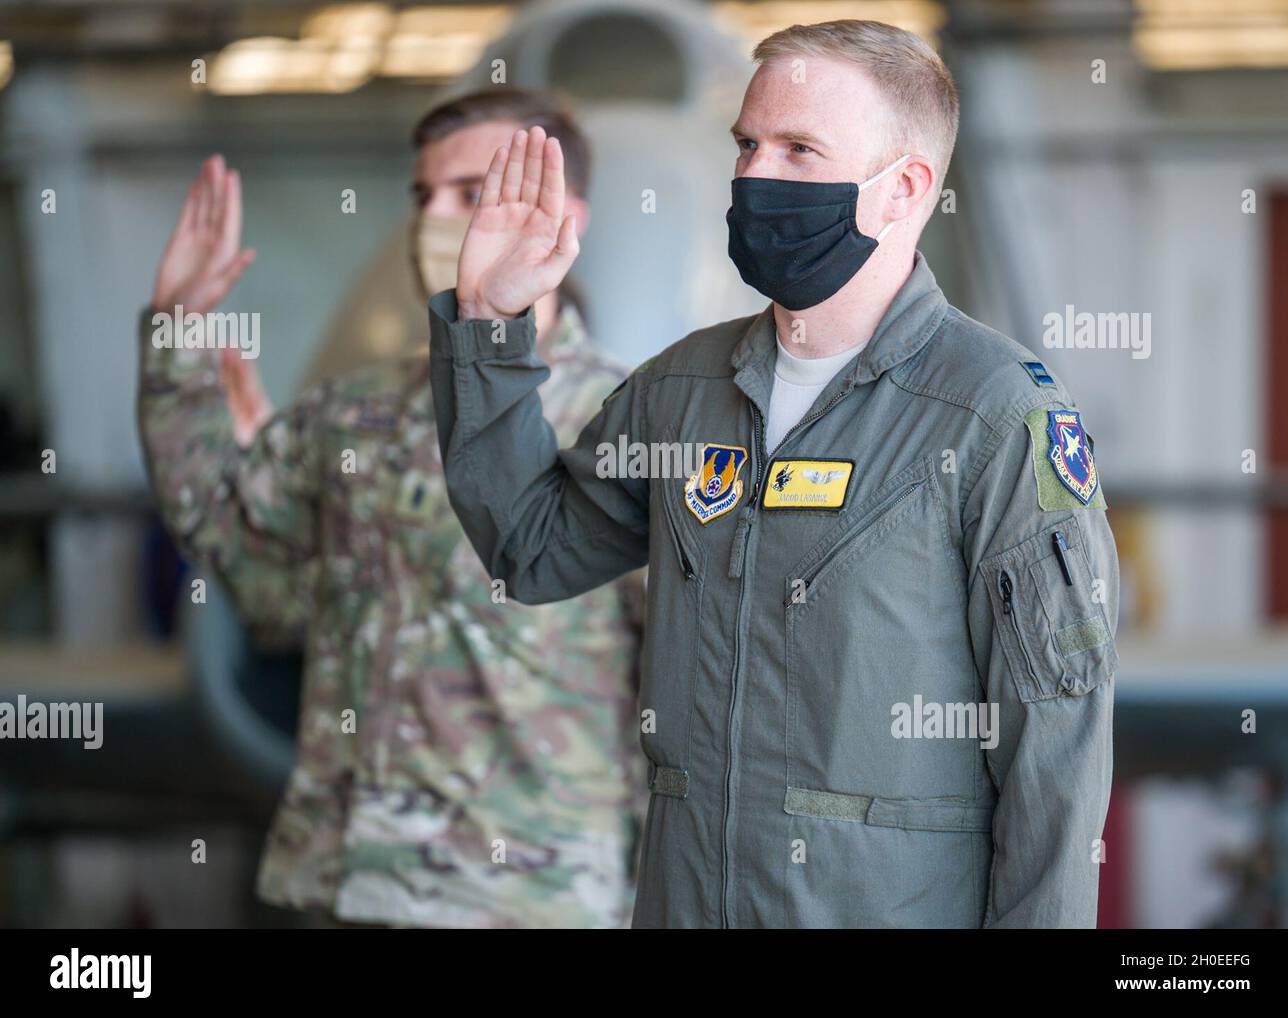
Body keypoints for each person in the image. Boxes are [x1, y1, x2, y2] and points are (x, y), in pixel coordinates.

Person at [428, 21, 1120, 928]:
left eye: (800, 151)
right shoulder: (681, 392)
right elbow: (530, 549)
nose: (756, 177)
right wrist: (488, 319)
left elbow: (1056, 753)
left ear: (902, 190)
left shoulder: (994, 417)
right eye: (748, 145)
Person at [137, 89, 645, 928]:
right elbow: (247, 564)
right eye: (423, 196)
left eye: (472, 192)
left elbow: (695, 680)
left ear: (564, 218)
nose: (435, 219)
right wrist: (176, 339)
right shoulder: (357, 413)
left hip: (528, 895)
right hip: (347, 882)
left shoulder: (626, 421)